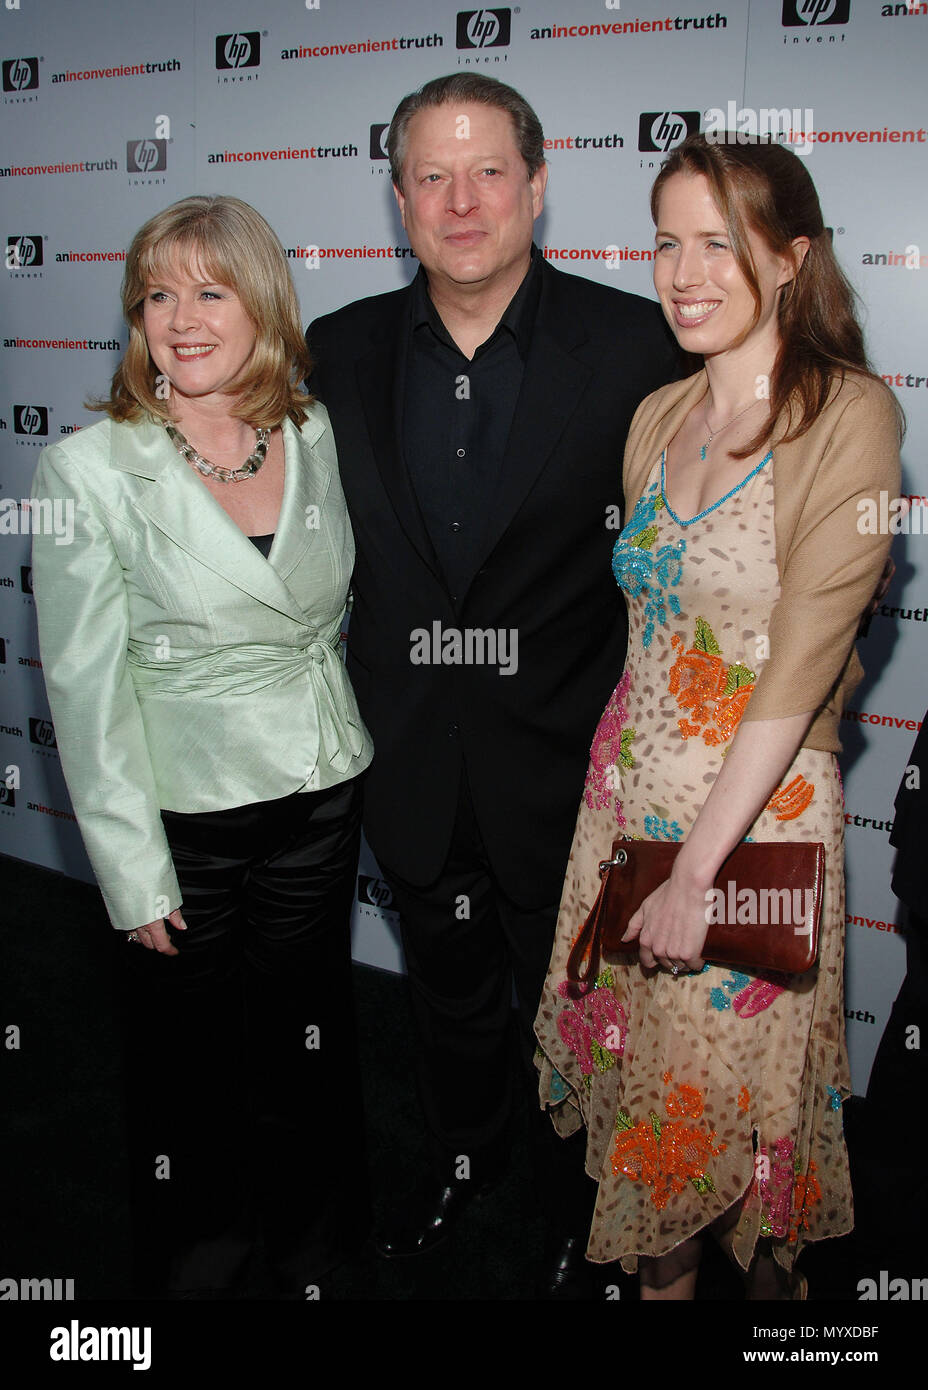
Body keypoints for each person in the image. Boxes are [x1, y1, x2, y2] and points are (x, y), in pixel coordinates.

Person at [306, 73, 679, 1288]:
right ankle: (467, 1169)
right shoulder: (338, 348)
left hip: (574, 770)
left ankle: (598, 1214)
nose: (459, 202)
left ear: (536, 184)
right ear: (399, 194)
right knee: (450, 1001)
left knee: (594, 1019)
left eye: (487, 173)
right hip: (409, 759)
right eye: (430, 175)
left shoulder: (634, 341)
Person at [533, 133, 903, 1299]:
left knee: (729, 1141)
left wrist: (697, 872)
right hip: (626, 811)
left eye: (720, 244)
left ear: (789, 259)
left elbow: (803, 664)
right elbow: (646, 638)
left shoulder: (851, 418)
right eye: (665, 243)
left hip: (749, 829)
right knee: (649, 1137)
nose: (684, 272)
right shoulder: (656, 416)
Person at [30, 195, 373, 1298]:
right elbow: (87, 692)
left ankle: (315, 1255)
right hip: (185, 827)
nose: (180, 317)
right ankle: (203, 1273)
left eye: (209, 290)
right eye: (157, 294)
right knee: (189, 1077)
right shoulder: (88, 471)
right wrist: (131, 876)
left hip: (319, 799)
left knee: (307, 1046)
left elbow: (322, 617)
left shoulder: (310, 431)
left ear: (262, 301)